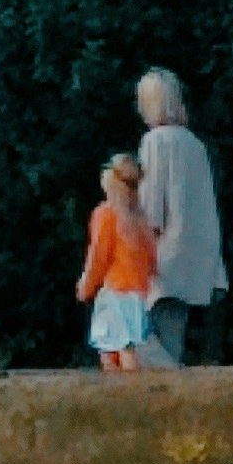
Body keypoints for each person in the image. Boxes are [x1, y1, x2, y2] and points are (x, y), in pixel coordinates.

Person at [131, 70, 224, 369]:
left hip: (163, 255)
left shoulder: (155, 142)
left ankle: (165, 388)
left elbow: (152, 206)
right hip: (194, 256)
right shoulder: (195, 145)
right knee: (173, 333)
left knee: (139, 334)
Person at [76, 153, 161, 374]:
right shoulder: (142, 221)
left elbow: (98, 257)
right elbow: (152, 261)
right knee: (127, 346)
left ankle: (121, 396)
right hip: (138, 293)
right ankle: (126, 395)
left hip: (115, 291)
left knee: (112, 348)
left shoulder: (105, 214)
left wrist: (86, 286)